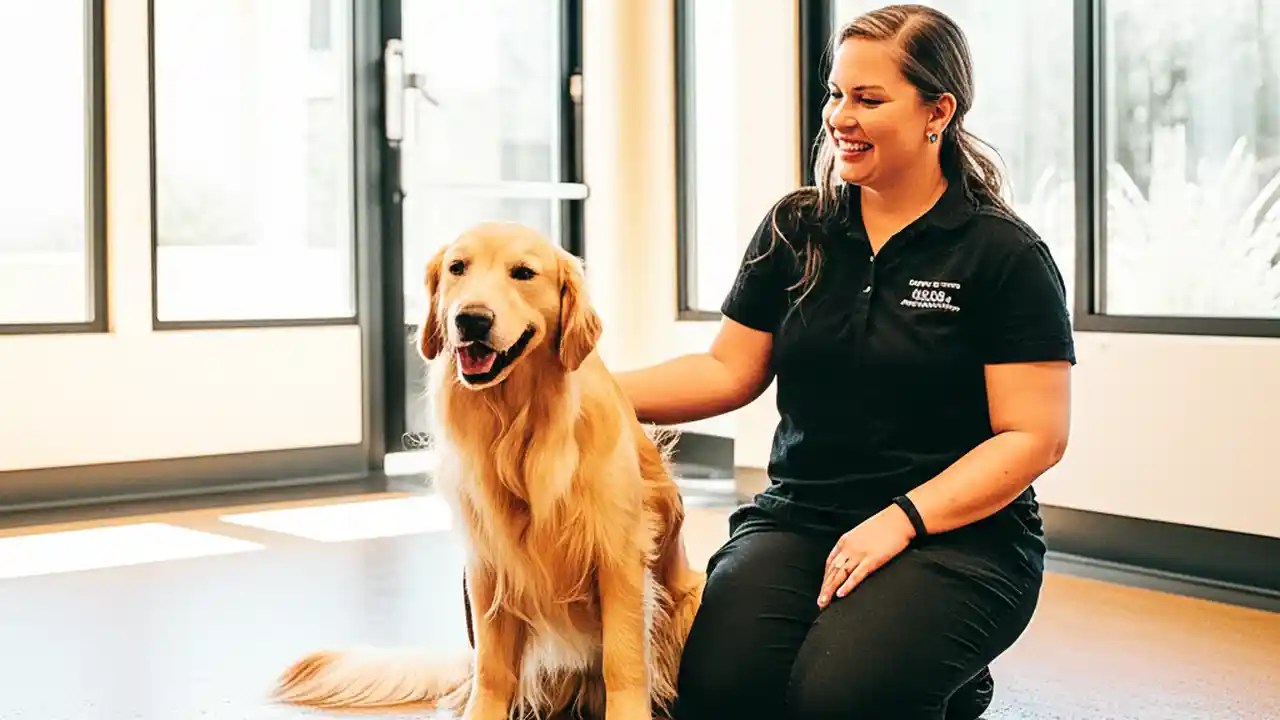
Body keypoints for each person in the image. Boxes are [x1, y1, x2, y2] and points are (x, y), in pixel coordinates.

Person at [616, 5, 1075, 720]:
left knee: (838, 700)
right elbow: (725, 370)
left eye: (868, 99)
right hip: (802, 517)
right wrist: (587, 391)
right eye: (836, 94)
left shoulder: (1003, 255)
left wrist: (903, 518)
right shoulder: (796, 229)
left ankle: (951, 671)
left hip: (959, 536)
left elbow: (1034, 436)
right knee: (720, 697)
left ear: (938, 111)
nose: (840, 117)